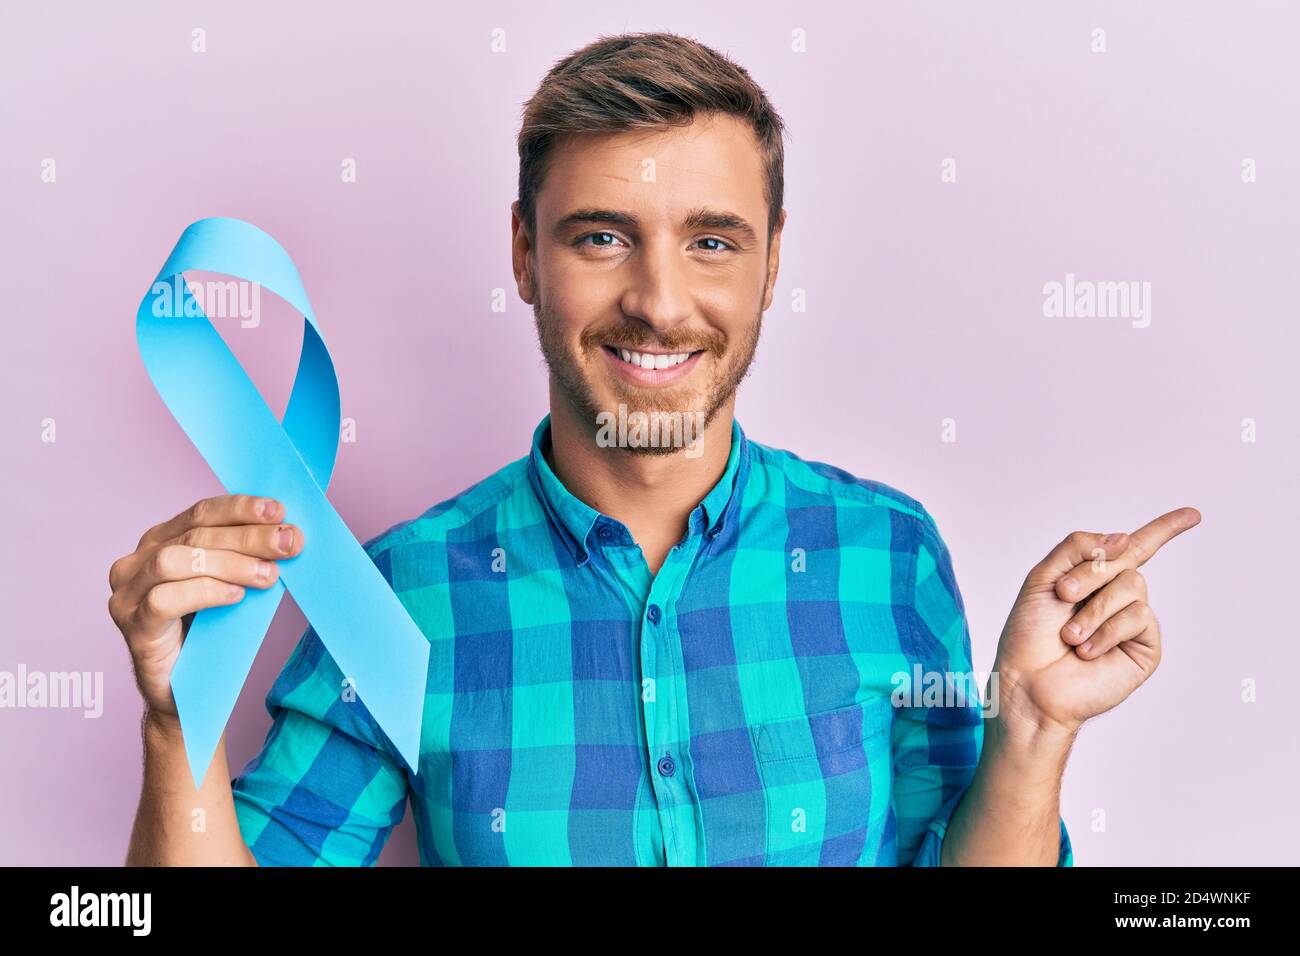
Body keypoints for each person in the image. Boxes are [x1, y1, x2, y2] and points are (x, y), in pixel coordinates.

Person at [110, 31, 1199, 866]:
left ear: (770, 265)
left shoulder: (886, 554)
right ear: (525, 253)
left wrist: (1035, 727)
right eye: (600, 237)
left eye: (711, 241)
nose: (658, 302)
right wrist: (177, 715)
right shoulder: (393, 594)